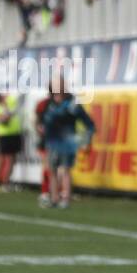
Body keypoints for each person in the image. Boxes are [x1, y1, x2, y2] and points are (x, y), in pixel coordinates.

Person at [38, 80, 95, 209]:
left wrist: (85, 140)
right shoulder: (49, 103)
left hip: (67, 142)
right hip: (51, 141)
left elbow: (88, 123)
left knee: (64, 170)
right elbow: (43, 120)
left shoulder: (72, 103)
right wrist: (42, 128)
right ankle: (54, 198)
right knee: (51, 170)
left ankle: (66, 198)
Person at [0, 89, 23, 190]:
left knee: (12, 159)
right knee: (4, 159)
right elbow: (4, 120)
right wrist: (6, 110)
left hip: (14, 133)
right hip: (4, 135)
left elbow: (17, 96)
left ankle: (5, 181)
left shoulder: (9, 100)